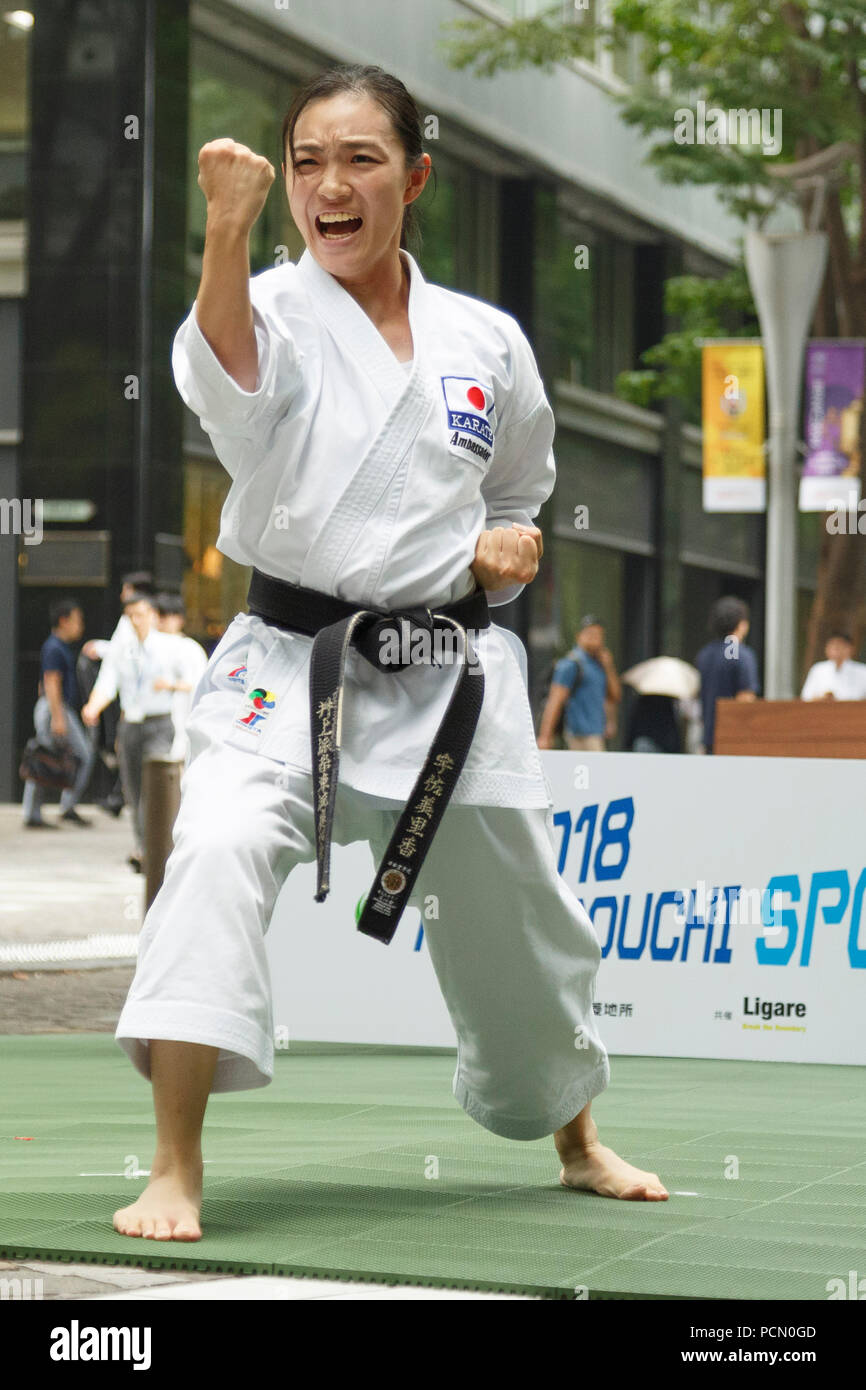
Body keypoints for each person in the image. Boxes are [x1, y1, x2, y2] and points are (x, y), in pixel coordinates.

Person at [110, 63, 668, 1244]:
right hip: (286, 667)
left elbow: (519, 485)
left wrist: (507, 544)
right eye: (306, 161)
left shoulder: (489, 342)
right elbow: (220, 386)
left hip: (451, 685)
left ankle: (570, 1135)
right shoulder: (265, 306)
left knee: (519, 911)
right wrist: (224, 229)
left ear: (412, 178)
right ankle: (173, 1162)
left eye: (358, 159)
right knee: (208, 847)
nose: (328, 185)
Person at [81, 593, 185, 871]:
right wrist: (93, 706)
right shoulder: (122, 648)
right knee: (134, 790)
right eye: (130, 616)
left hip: (159, 723)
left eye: (140, 614)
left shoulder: (171, 646)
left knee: (157, 787)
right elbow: (108, 682)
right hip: (130, 725)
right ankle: (144, 848)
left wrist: (173, 685)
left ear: (152, 614)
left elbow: (193, 680)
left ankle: (160, 848)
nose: (135, 621)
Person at [22, 597, 97, 828]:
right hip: (55, 707)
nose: (80, 625)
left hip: (54, 706)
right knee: (46, 757)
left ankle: (56, 808)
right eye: (77, 620)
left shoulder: (58, 646)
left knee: (47, 757)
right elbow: (51, 681)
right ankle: (38, 813)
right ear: (64, 620)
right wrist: (57, 716)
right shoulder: (54, 646)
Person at [537, 615, 621, 751]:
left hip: (597, 732)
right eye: (589, 634)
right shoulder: (571, 664)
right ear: (579, 636)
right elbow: (555, 700)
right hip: (578, 735)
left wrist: (609, 667)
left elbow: (615, 696)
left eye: (598, 634)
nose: (594, 638)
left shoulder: (599, 664)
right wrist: (545, 737)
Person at [695, 596, 759, 754]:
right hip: (734, 740)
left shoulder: (704, 654)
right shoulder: (741, 654)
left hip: (708, 737)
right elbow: (746, 698)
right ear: (741, 624)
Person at [152, 593, 209, 764]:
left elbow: (199, 685)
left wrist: (170, 685)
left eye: (164, 616)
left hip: (181, 724)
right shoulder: (150, 645)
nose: (160, 622)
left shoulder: (189, 648)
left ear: (178, 618)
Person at [801, 631, 866, 701]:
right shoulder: (818, 669)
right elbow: (806, 697)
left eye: (839, 646)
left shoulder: (862, 670)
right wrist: (823, 698)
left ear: (850, 648)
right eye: (832, 646)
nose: (835, 649)